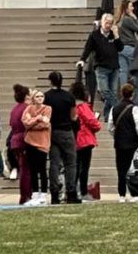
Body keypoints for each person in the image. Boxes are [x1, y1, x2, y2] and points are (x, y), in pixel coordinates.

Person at [44, 70, 80, 205]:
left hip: (52, 131)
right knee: (70, 163)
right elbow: (73, 116)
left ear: (50, 81)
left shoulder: (46, 97)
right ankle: (71, 192)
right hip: (66, 130)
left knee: (54, 163)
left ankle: (54, 193)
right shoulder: (69, 96)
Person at [79, 13, 124, 123]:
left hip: (114, 67)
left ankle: (107, 116)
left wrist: (117, 35)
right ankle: (121, 108)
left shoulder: (113, 34)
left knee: (113, 92)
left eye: (110, 23)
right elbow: (88, 48)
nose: (108, 25)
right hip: (101, 67)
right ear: (101, 23)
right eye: (106, 23)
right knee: (104, 91)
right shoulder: (94, 35)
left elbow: (120, 48)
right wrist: (82, 59)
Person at [111, 84, 138, 203]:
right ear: (133, 94)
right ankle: (134, 193)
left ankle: (121, 195)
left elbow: (110, 127)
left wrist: (117, 136)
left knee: (121, 170)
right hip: (133, 143)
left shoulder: (114, 108)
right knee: (133, 169)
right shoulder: (135, 109)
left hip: (120, 144)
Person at [21, 89, 52, 205]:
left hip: (42, 143)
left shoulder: (47, 108)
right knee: (33, 169)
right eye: (37, 96)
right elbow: (25, 123)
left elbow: (45, 124)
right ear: (33, 98)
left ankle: (43, 194)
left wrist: (32, 121)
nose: (39, 98)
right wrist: (38, 118)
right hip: (29, 142)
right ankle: (35, 194)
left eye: (41, 96)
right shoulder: (28, 108)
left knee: (42, 169)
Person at [8, 83, 32, 205]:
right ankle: (26, 195)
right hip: (24, 140)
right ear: (27, 95)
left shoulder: (15, 108)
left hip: (15, 140)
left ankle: (25, 195)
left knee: (23, 168)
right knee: (26, 170)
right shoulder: (27, 108)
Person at [114, 0, 138, 91]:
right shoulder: (127, 19)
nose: (133, 8)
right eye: (131, 6)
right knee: (136, 69)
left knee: (123, 70)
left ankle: (124, 90)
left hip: (119, 48)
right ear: (126, 9)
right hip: (129, 47)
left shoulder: (118, 21)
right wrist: (135, 18)